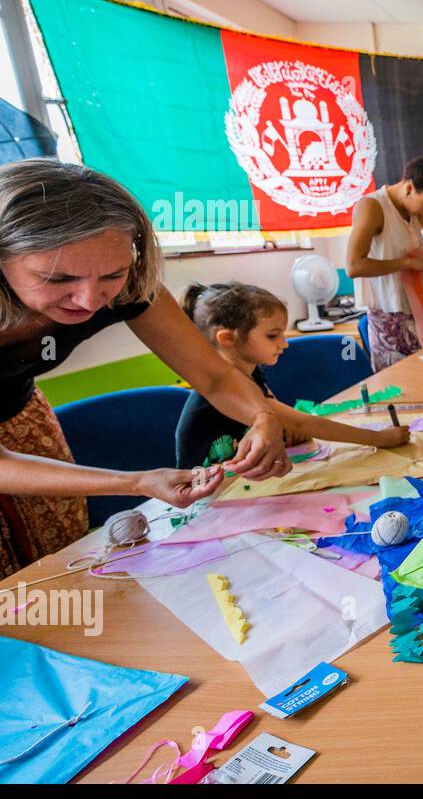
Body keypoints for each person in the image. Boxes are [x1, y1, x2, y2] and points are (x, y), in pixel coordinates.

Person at [0, 160, 289, 578]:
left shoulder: (128, 284)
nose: (88, 299)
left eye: (112, 275)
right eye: (57, 278)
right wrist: (135, 482)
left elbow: (214, 375)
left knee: (52, 561)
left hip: (21, 416)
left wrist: (262, 415)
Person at [176, 282, 410, 470]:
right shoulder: (227, 388)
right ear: (228, 338)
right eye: (272, 336)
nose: (284, 344)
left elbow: (282, 416)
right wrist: (379, 439)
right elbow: (302, 421)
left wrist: (283, 428)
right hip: (206, 497)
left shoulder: (250, 370)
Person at [347, 158, 423, 371]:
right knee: (405, 391)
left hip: (420, 312)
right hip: (391, 319)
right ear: (409, 188)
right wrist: (408, 263)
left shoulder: (413, 209)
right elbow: (354, 266)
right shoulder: (373, 207)